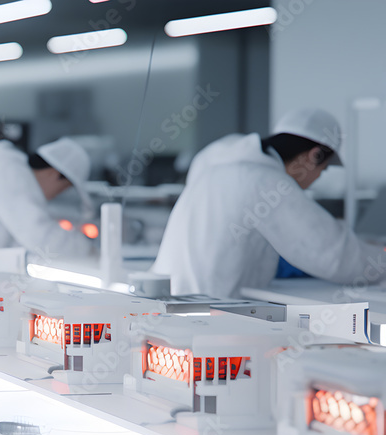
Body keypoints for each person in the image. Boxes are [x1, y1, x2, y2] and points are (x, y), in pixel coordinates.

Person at [152, 108, 386, 298]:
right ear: (314, 155)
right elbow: (334, 255)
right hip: (208, 313)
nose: (315, 180)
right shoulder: (265, 182)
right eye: (322, 171)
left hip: (173, 301)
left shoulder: (222, 167)